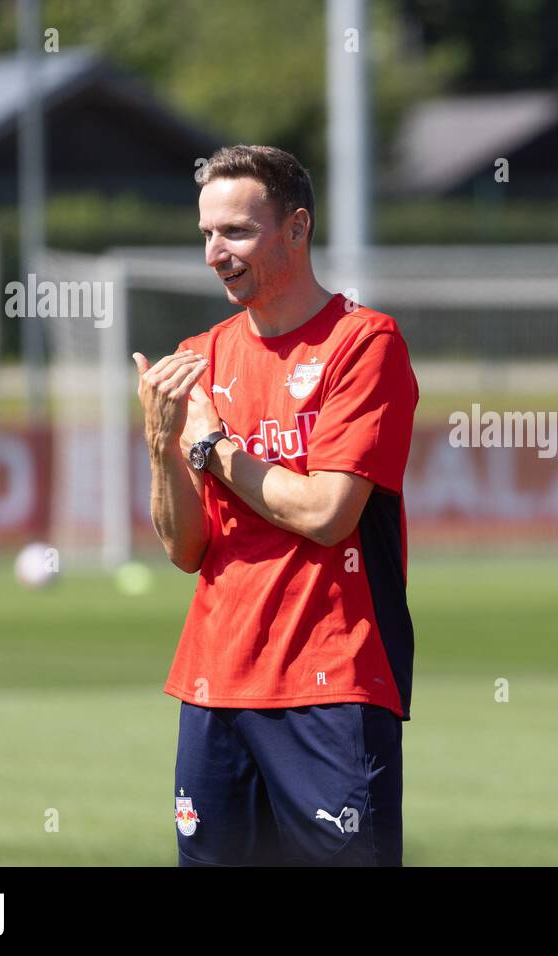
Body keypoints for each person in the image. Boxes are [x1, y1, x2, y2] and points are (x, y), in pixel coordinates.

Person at [132, 144, 418, 866]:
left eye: (235, 233)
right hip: (214, 683)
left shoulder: (364, 342)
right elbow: (186, 551)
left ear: (296, 228)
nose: (214, 254)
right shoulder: (201, 355)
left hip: (331, 682)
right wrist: (162, 445)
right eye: (205, 234)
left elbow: (328, 513)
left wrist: (210, 448)